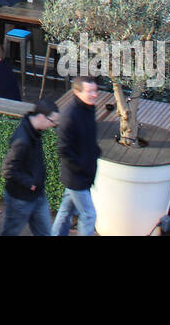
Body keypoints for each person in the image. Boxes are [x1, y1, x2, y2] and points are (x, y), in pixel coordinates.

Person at [0, 99, 59, 236]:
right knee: (11, 232)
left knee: (45, 232)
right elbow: (7, 170)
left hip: (37, 195)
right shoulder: (22, 140)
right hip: (20, 199)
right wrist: (30, 183)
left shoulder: (33, 132)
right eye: (52, 122)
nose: (53, 125)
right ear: (41, 117)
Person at [52, 76, 101, 236]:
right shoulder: (71, 115)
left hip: (81, 175)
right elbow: (63, 149)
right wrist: (80, 168)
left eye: (95, 91)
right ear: (77, 92)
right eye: (89, 91)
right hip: (77, 177)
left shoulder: (88, 109)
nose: (94, 95)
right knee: (89, 214)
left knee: (66, 213)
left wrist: (95, 152)